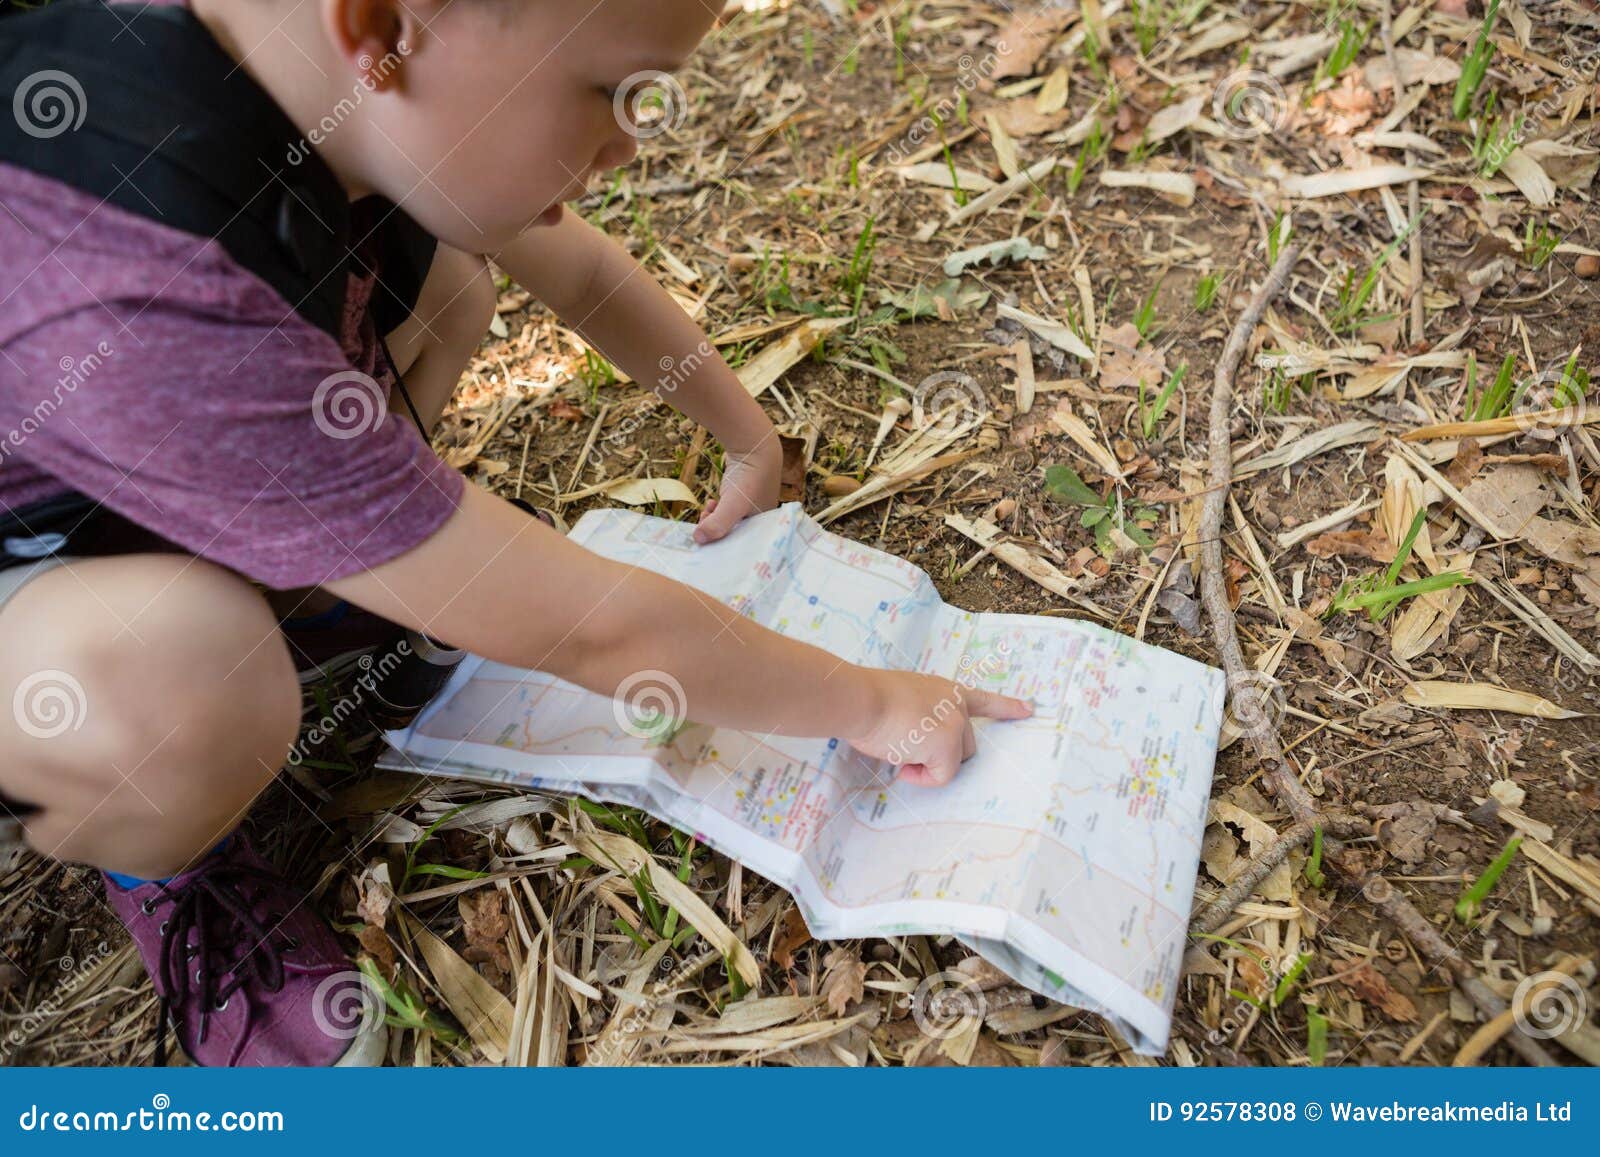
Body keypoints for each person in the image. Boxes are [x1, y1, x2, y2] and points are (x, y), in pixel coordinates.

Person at [0, 0, 1032, 1066]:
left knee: (445, 282)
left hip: (144, 494)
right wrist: (870, 699)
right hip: (43, 612)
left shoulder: (317, 94)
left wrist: (744, 435)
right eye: (606, 92)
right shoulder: (140, 283)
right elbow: (596, 632)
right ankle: (166, 853)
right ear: (381, 27)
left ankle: (323, 586)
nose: (628, 142)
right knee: (171, 681)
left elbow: (578, 270)